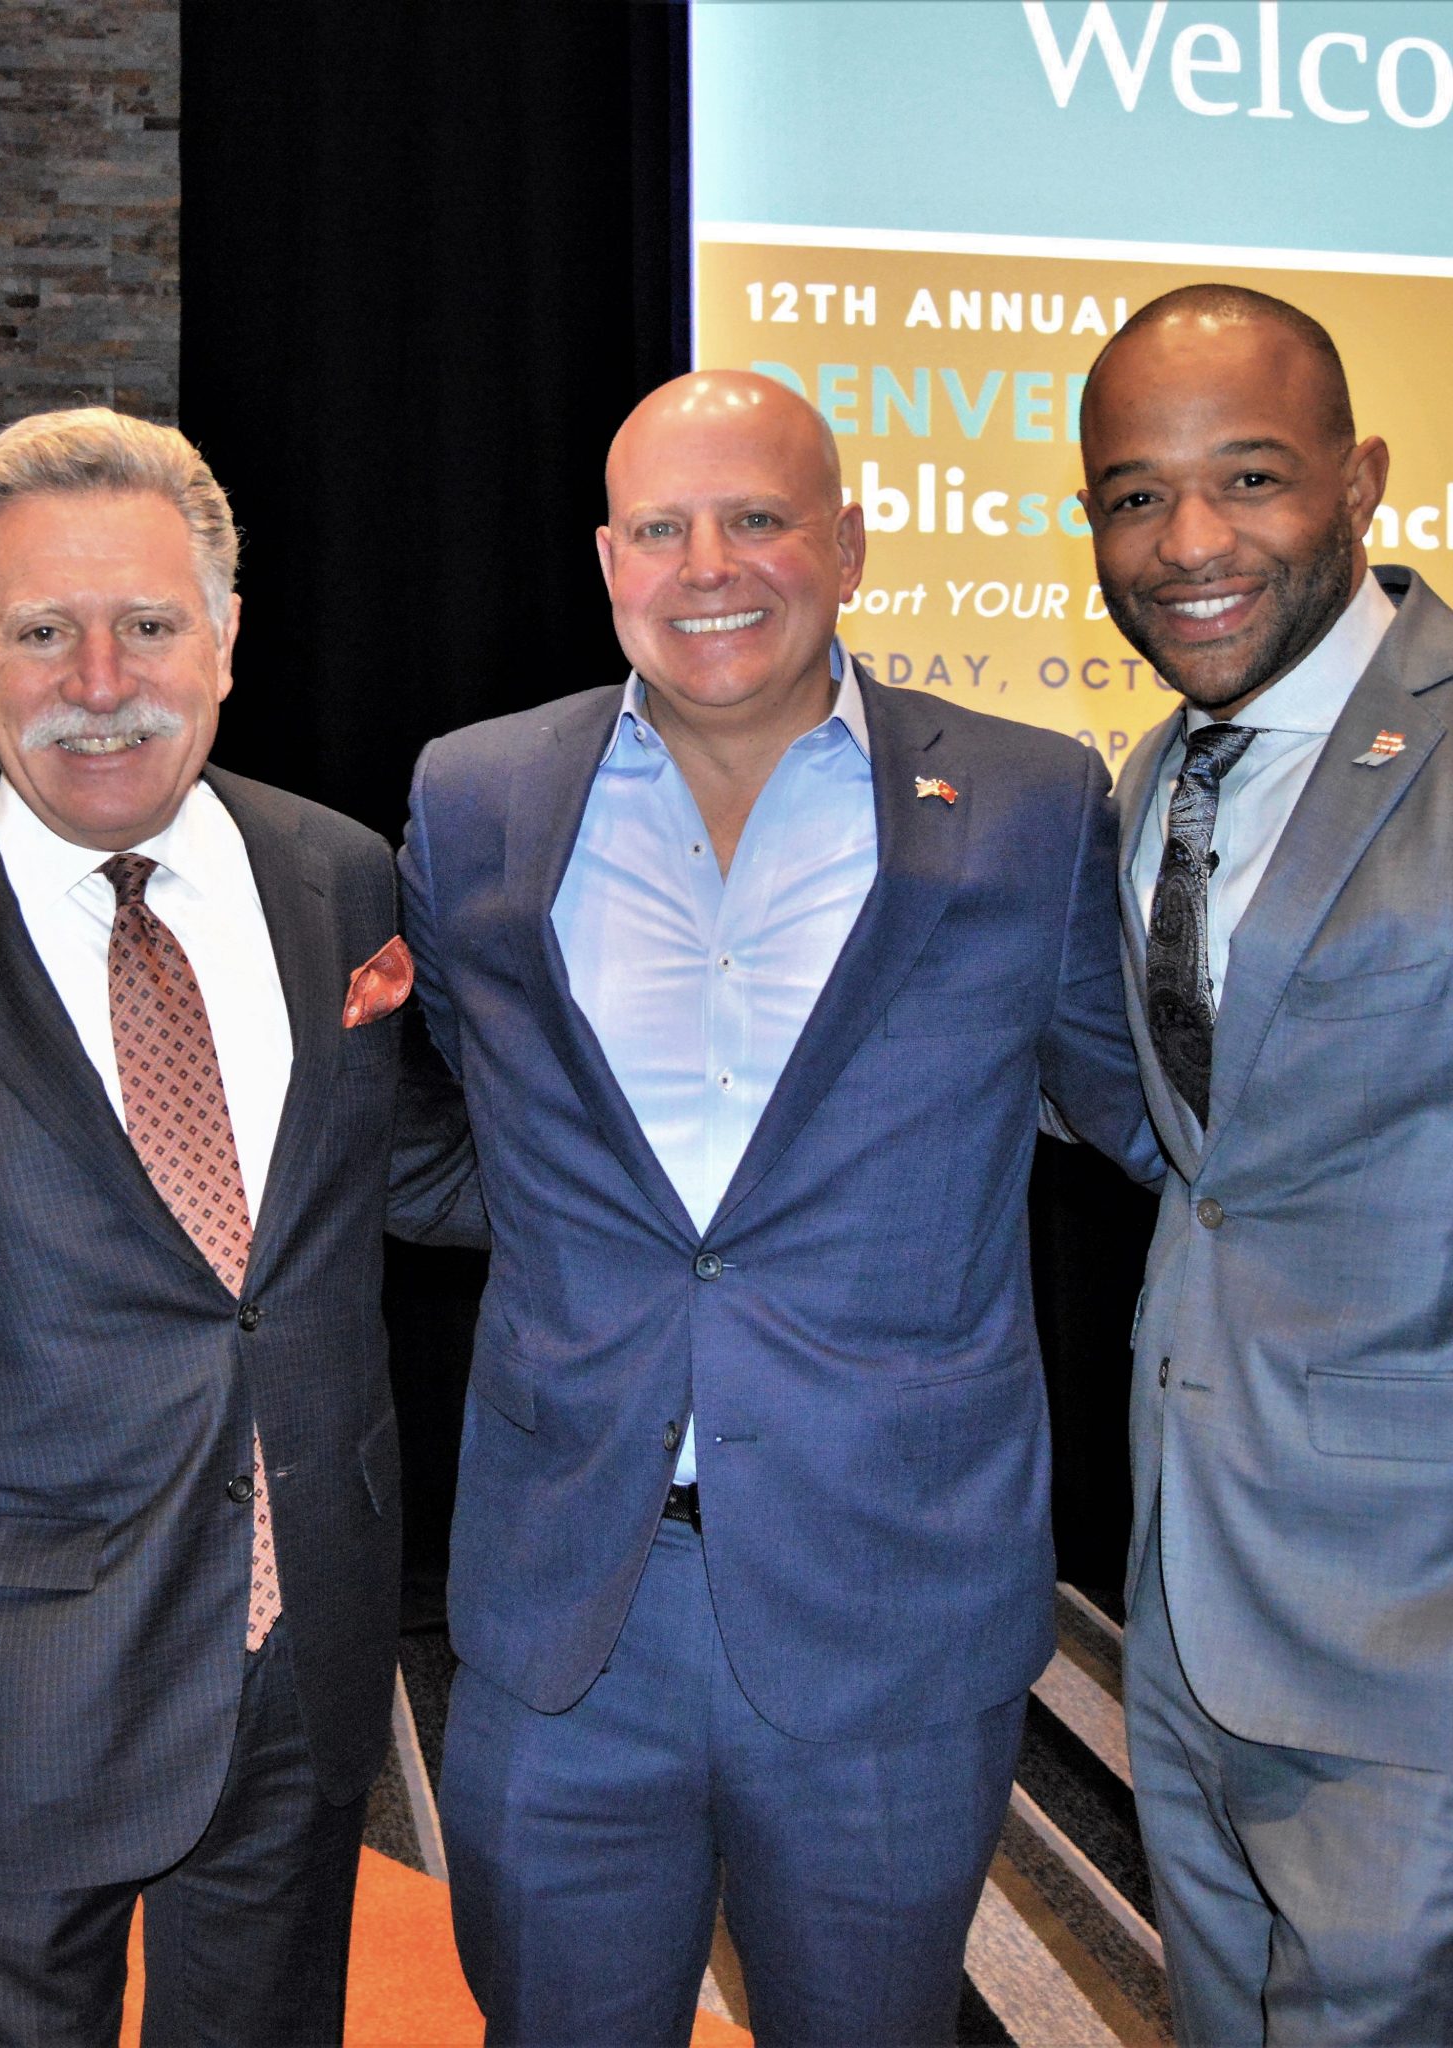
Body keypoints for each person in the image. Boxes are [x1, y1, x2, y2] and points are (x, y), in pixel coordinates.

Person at [398, 368, 1158, 2047]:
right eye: (661, 529)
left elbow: (1149, 1121)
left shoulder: (1032, 806)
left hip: (892, 1600)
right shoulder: (474, 800)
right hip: (569, 1604)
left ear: (853, 544)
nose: (708, 564)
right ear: (609, 562)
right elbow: (481, 1119)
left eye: (757, 518)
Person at [0, 406, 478, 2047]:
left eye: (151, 624)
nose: (101, 678)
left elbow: (424, 1171)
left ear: (227, 640)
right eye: (42, 631)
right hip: (7, 1683)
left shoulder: (346, 877)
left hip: (301, 1648)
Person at [1080, 283, 1453, 2045]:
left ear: (1362, 479)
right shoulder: (1158, 768)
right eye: (1135, 497)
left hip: (1415, 1622)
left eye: (1250, 478)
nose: (1190, 543)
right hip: (1188, 1598)